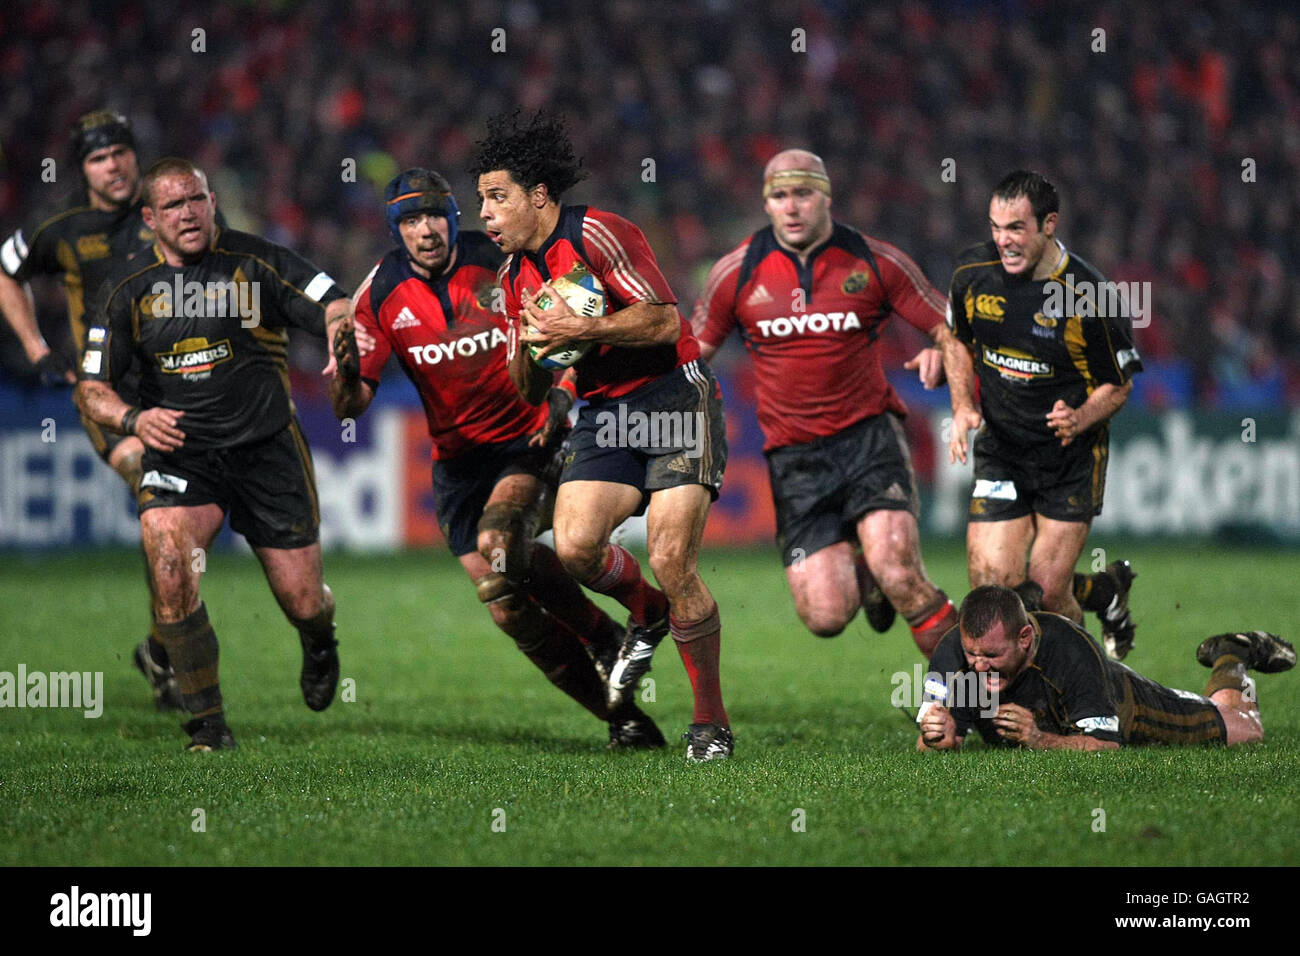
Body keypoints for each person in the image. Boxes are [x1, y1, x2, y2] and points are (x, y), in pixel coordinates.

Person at [329, 167, 663, 749]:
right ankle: (619, 717)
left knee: (500, 542)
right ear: (395, 230)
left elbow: (580, 327)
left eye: (434, 215)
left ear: (454, 217)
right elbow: (351, 405)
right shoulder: (378, 295)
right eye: (410, 220)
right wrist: (345, 378)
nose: (425, 230)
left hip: (529, 440)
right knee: (506, 606)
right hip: (457, 464)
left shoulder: (504, 259)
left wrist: (562, 392)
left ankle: (602, 633)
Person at [470, 110, 734, 761]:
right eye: (481, 200)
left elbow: (664, 323)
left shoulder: (598, 233)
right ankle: (645, 613)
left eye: (496, 197)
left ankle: (710, 723)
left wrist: (579, 329)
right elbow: (531, 388)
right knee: (577, 549)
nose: (485, 213)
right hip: (606, 413)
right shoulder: (513, 280)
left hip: (674, 397)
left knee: (675, 560)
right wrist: (529, 347)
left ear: (538, 196)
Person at [74, 157, 349, 751]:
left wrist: (340, 333)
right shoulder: (124, 289)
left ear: (213, 200)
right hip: (182, 457)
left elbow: (333, 300)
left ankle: (318, 638)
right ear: (149, 218)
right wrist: (133, 419)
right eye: (173, 206)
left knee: (303, 601)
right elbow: (91, 388)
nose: (188, 213)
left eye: (196, 199)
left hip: (265, 448)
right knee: (170, 566)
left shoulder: (258, 261)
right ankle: (207, 724)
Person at [691, 148, 959, 657]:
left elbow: (950, 326)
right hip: (796, 460)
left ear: (826, 198)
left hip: (869, 441)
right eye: (779, 196)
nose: (791, 207)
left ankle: (978, 698)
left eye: (802, 194)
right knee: (826, 616)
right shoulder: (736, 272)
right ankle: (867, 573)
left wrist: (940, 351)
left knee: (902, 574)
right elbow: (690, 351)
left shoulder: (875, 260)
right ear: (766, 204)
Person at [0, 110, 222, 710]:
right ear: (84, 168)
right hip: (110, 400)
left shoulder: (169, 213)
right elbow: (6, 269)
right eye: (100, 158)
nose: (114, 165)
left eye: (122, 152)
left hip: (179, 394)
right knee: (158, 498)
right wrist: (37, 348)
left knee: (183, 525)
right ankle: (176, 657)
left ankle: (160, 644)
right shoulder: (66, 230)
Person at [945, 170, 1142, 659]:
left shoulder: (1087, 295)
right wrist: (964, 405)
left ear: (1049, 224)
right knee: (996, 589)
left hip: (1069, 456)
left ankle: (1087, 686)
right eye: (995, 227)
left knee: (1049, 595)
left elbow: (1118, 386)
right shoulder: (972, 272)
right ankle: (1104, 592)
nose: (1003, 241)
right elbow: (956, 341)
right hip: (1003, 451)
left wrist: (1079, 417)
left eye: (1016, 228)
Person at [917, 584, 1294, 750]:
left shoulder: (1071, 653)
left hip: (1121, 701)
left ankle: (1232, 654)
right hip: (1073, 710)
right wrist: (939, 735)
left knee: (1246, 729)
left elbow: (1105, 746)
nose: (979, 668)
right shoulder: (955, 656)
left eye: (992, 657)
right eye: (973, 655)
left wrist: (1038, 740)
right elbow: (933, 743)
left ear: (1025, 639)